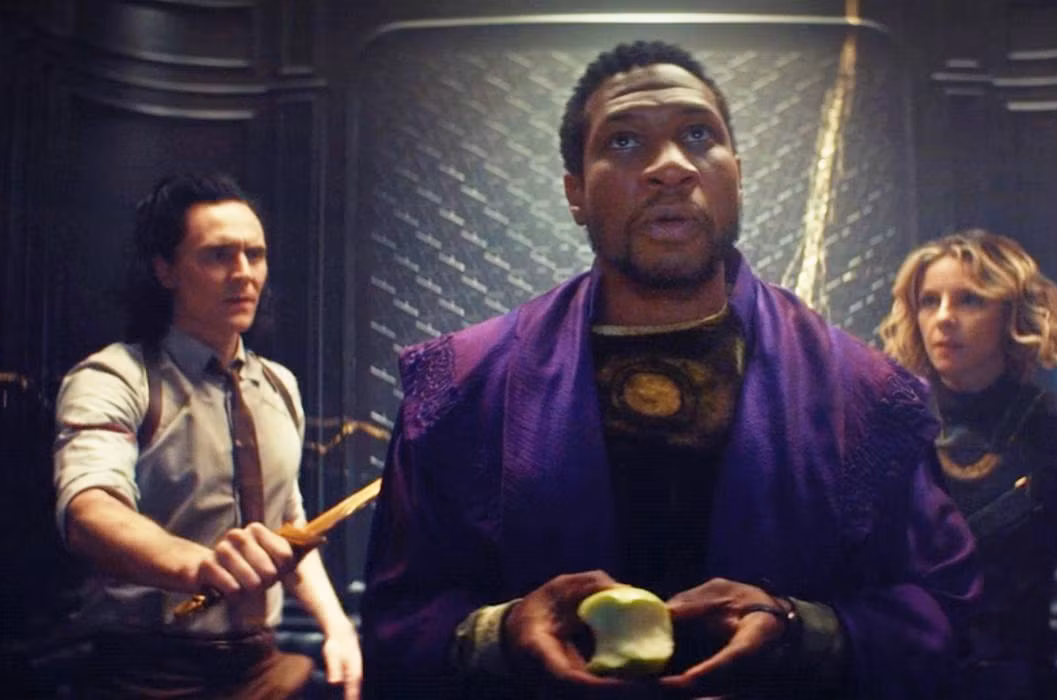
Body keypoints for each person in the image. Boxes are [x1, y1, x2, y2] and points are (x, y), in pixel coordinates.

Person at [360, 40, 981, 699]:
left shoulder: (865, 392)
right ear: (575, 192)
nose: (671, 167)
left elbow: (946, 615)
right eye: (625, 141)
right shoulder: (465, 386)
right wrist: (502, 633)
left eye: (698, 135)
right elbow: (397, 625)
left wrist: (801, 631)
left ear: (737, 175)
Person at [52, 173, 362, 699]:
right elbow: (89, 512)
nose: (243, 273)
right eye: (218, 255)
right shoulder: (115, 377)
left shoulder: (280, 386)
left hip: (260, 667)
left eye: (254, 255)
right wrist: (202, 566)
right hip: (147, 672)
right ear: (165, 269)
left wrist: (336, 628)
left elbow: (289, 528)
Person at [878, 229, 1057, 700]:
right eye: (929, 301)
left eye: (969, 299)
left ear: (1011, 314)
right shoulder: (889, 429)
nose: (944, 318)